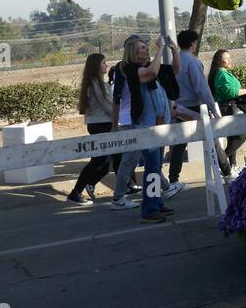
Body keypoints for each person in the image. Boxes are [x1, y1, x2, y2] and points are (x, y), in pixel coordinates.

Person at [109, 35, 177, 222]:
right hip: (145, 126)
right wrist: (160, 49)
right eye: (142, 48)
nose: (146, 49)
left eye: (146, 47)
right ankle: (149, 209)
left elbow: (172, 71)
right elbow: (152, 73)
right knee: (151, 169)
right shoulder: (131, 71)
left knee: (154, 168)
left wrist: (174, 50)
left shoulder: (145, 68)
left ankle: (156, 203)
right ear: (132, 52)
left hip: (156, 126)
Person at [66, 53, 135, 204]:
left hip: (101, 125)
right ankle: (76, 192)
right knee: (99, 160)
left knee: (112, 157)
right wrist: (119, 120)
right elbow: (108, 106)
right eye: (104, 62)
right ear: (96, 66)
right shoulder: (96, 84)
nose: (106, 65)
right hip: (101, 126)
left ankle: (126, 187)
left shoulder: (95, 83)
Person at [165, 29, 221, 194]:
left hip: (178, 107)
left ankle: (173, 179)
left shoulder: (174, 61)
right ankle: (225, 169)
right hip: (195, 106)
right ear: (193, 43)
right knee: (212, 139)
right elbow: (202, 89)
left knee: (179, 144)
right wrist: (212, 108)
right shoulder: (193, 62)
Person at [209, 49, 246, 180]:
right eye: (227, 58)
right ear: (220, 61)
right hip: (228, 108)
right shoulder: (221, 74)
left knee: (233, 138)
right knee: (240, 137)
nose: (230, 60)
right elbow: (232, 92)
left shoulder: (224, 73)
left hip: (231, 107)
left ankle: (232, 166)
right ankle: (223, 162)